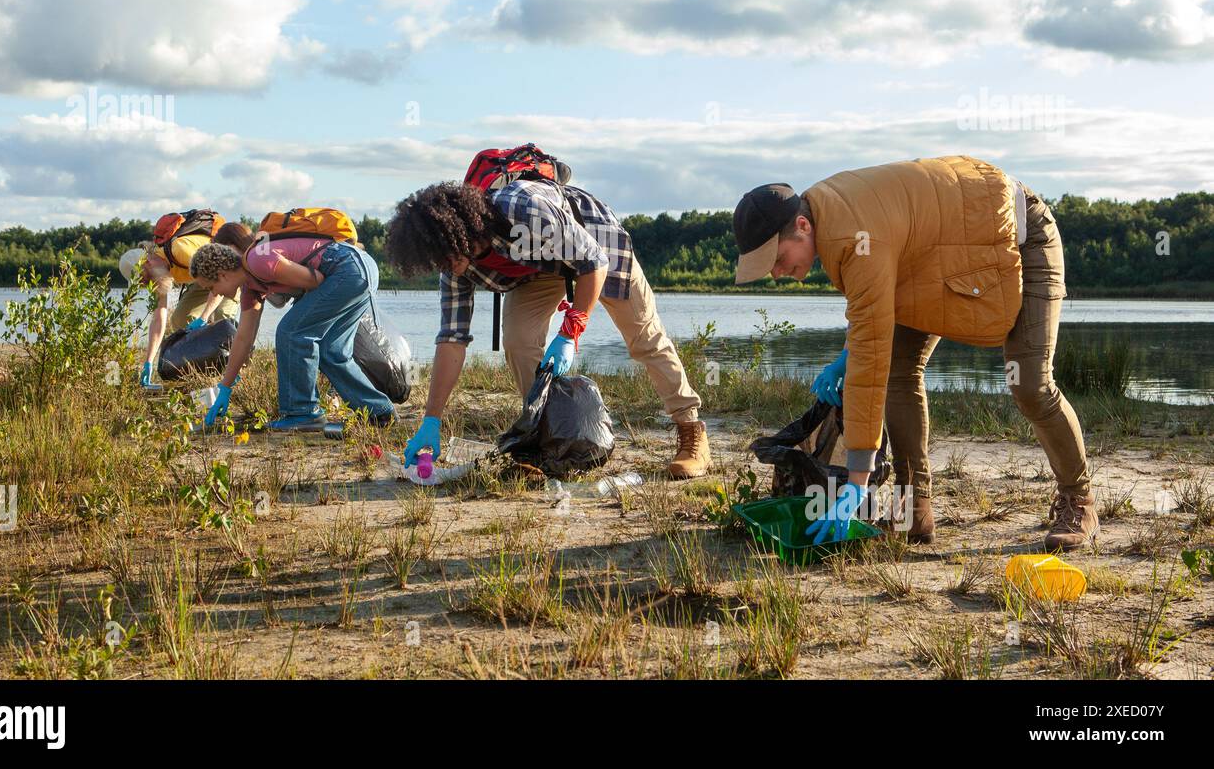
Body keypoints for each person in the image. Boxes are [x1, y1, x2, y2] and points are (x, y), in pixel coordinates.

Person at [732, 155, 1096, 551]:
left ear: (801, 227)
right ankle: (912, 510)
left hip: (1020, 238)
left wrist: (856, 485)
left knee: (1030, 382)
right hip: (934, 259)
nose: (777, 273)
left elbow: (871, 354)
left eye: (778, 259)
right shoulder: (828, 215)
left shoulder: (849, 234)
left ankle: (1078, 500)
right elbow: (870, 311)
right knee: (899, 372)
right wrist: (845, 356)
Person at [385, 178, 711, 478]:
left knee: (643, 337)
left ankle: (691, 431)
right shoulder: (453, 266)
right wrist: (432, 419)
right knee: (518, 340)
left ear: (463, 229)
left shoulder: (522, 208)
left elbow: (592, 261)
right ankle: (549, 441)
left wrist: (571, 331)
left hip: (595, 246)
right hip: (537, 269)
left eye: (448, 255)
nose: (448, 266)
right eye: (437, 261)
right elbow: (452, 339)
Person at [186, 223, 394, 432]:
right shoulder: (251, 287)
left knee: (291, 331)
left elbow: (316, 280)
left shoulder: (257, 261)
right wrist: (225, 387)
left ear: (222, 274)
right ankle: (379, 411)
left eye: (211, 288)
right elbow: (244, 338)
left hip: (347, 269)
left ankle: (302, 412)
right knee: (331, 351)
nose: (216, 295)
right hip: (361, 268)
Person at [119, 219, 244, 388]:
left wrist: (204, 317)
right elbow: (158, 318)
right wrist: (148, 361)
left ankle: (233, 376)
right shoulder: (157, 273)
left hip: (228, 271)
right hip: (202, 279)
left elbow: (220, 275)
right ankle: (206, 372)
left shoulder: (180, 250)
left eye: (143, 279)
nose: (145, 284)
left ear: (146, 263)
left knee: (221, 321)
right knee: (180, 320)